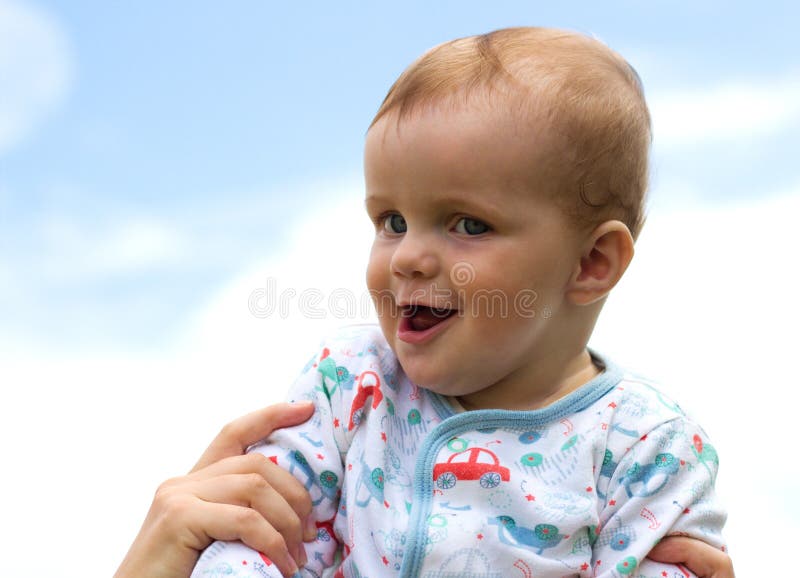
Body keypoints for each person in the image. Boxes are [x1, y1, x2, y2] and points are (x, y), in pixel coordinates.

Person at [182, 27, 728, 578]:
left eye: (468, 224)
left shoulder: (645, 447)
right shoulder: (351, 385)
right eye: (392, 221)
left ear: (591, 262)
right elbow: (256, 535)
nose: (408, 258)